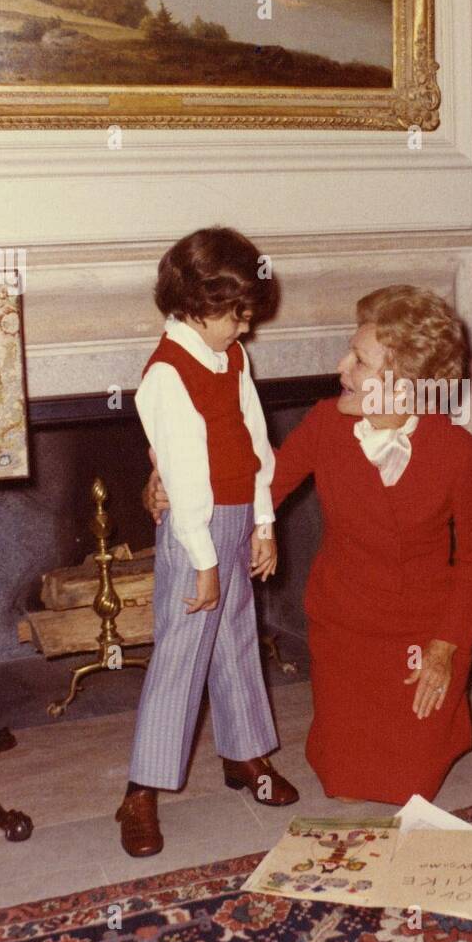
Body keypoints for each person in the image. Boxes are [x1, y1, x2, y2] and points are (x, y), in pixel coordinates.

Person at [146, 284, 472, 805]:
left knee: (410, 786)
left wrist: (446, 649)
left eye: (359, 359)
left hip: (423, 638)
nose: (341, 367)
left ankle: (441, 721)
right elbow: (258, 485)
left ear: (403, 386)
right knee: (345, 781)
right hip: (345, 629)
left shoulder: (457, 454)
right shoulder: (325, 424)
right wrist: (170, 480)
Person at [116, 227, 298, 858]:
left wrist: (265, 523)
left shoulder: (233, 359)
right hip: (193, 528)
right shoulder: (167, 374)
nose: (243, 328)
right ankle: (140, 790)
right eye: (235, 314)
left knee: (236, 638)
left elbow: (254, 445)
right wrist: (202, 561)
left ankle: (245, 757)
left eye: (248, 315)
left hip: (236, 515)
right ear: (195, 303)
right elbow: (186, 475)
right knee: (182, 651)